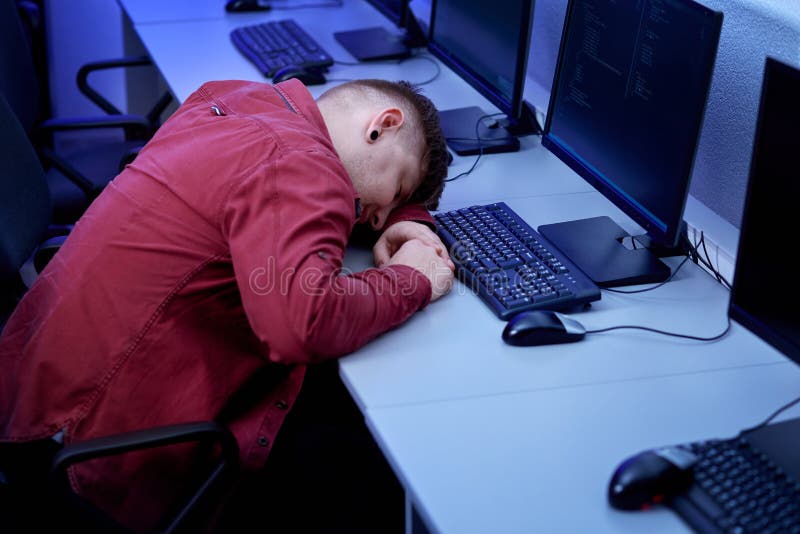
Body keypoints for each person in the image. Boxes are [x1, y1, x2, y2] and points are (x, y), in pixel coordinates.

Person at [0, 77, 454, 532]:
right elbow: (305, 322)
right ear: (382, 126)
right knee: (378, 471)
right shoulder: (300, 166)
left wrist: (406, 216)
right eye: (395, 192)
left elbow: (326, 196)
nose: (376, 218)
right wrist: (411, 279)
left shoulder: (236, 100)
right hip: (95, 460)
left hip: (30, 406)